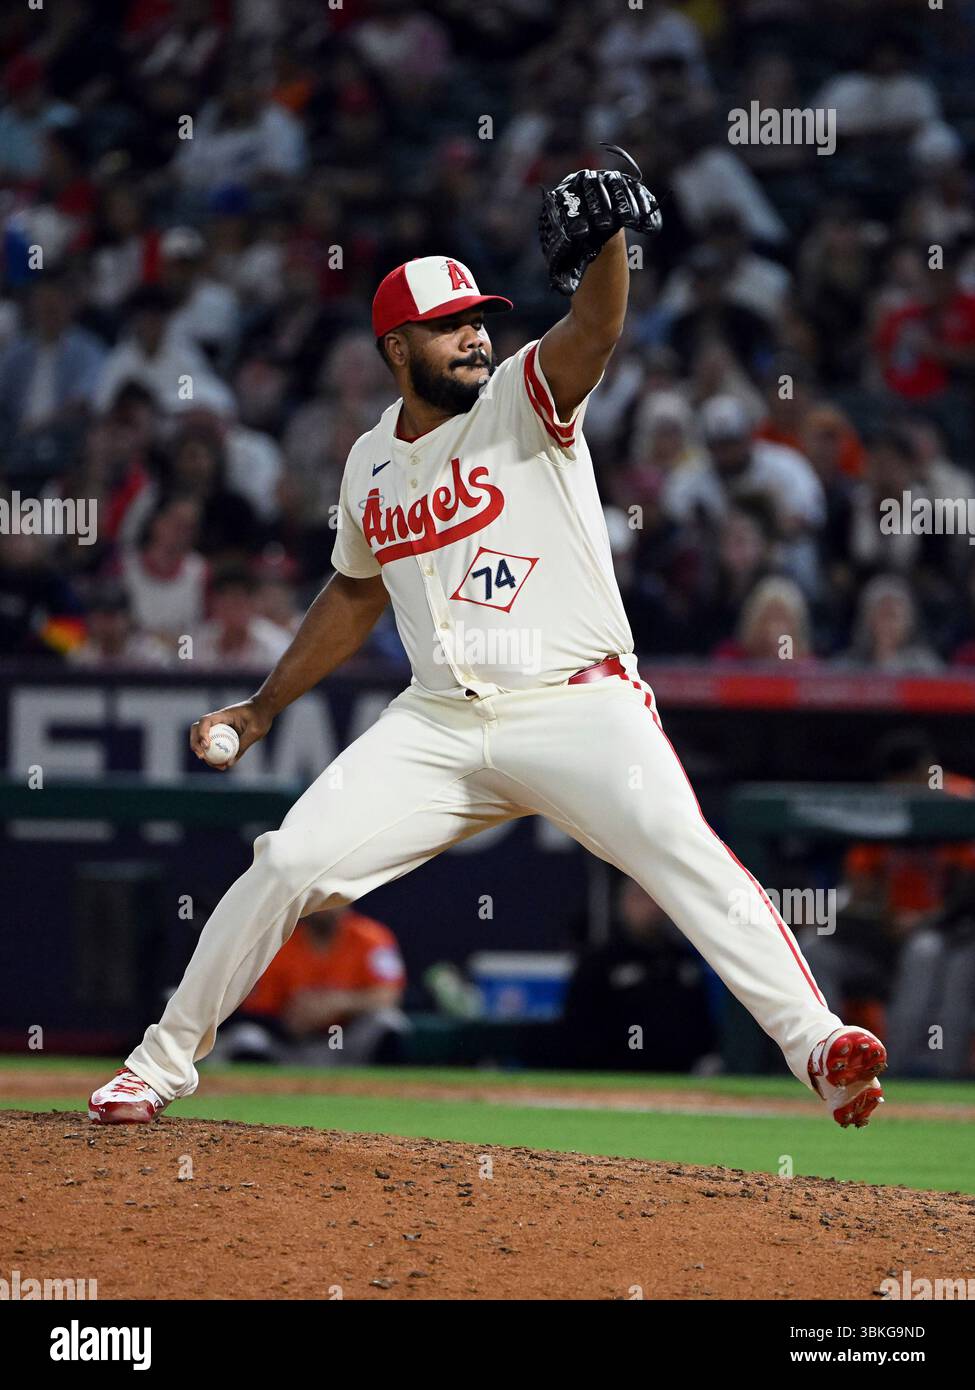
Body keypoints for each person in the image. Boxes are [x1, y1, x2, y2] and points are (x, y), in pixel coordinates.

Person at [88, 171, 885, 1130]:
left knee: (685, 854)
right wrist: (262, 708)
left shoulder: (519, 398)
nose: (476, 334)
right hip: (435, 720)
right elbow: (352, 590)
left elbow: (592, 332)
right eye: (450, 324)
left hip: (578, 706)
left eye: (480, 317)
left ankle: (820, 1047)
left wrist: (606, 250)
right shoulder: (367, 461)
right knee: (287, 862)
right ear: (396, 347)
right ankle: (158, 1064)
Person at [213, 907, 408, 1067]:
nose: (327, 906)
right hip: (293, 1049)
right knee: (246, 1038)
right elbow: (257, 1008)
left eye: (334, 898)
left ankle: (385, 1091)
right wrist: (292, 1017)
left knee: (387, 1021)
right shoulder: (281, 942)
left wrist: (340, 1004)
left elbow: (389, 996)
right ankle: (259, 1098)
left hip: (349, 1046)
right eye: (320, 898)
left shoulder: (371, 936)